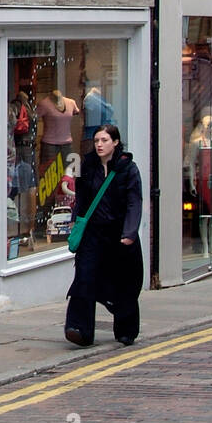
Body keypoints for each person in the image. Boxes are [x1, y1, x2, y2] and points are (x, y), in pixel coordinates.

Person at [64, 124, 143, 347]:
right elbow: (81, 199)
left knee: (124, 282)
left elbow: (134, 201)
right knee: (84, 277)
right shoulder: (87, 166)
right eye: (97, 140)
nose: (99, 144)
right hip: (93, 233)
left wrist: (130, 232)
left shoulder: (128, 168)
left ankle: (126, 330)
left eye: (104, 140)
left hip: (120, 234)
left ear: (115, 142)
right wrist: (76, 223)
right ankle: (79, 329)